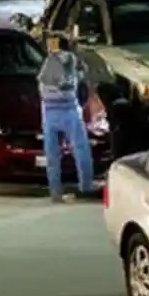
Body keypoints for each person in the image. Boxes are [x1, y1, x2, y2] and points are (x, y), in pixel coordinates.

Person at [37, 34, 96, 202]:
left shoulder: (48, 63)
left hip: (49, 112)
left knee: (52, 154)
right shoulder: (72, 60)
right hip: (69, 109)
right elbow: (83, 77)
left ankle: (55, 191)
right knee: (81, 149)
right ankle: (86, 186)